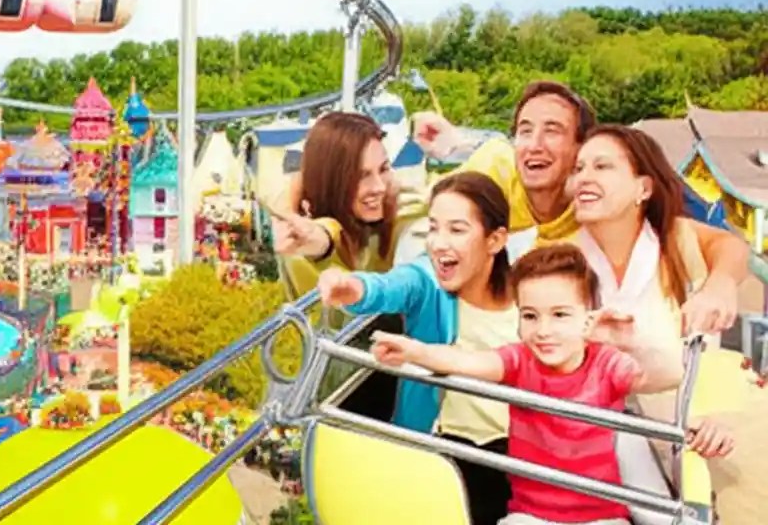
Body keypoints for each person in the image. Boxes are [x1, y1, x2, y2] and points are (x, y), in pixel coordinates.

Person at [370, 244, 685, 525]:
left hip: (599, 516)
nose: (543, 330)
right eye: (530, 316)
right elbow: (464, 361)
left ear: (587, 318)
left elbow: (668, 374)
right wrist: (414, 350)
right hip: (530, 514)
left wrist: (627, 340)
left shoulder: (606, 363)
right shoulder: (519, 360)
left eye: (560, 315)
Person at [414, 80, 744, 334]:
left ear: (578, 148)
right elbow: (425, 205)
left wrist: (720, 285)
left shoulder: (603, 214)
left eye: (552, 131)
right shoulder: (495, 168)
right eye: (525, 131)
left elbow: (721, 243)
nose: (534, 144)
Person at [569, 124, 746, 524]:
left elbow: (731, 247)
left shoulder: (674, 242)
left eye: (602, 166)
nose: (584, 178)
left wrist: (719, 285)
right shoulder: (565, 261)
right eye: (579, 168)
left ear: (643, 188)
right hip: (608, 442)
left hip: (696, 423)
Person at [317, 171, 514, 525]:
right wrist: (353, 288)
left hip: (511, 459)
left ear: (495, 240)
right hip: (440, 456)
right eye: (433, 228)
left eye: (456, 230)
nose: (439, 243)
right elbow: (394, 285)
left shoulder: (527, 304)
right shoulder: (430, 285)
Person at [272, 112, 418, 296]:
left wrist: (455, 147)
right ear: (331, 182)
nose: (379, 187)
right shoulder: (302, 249)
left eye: (383, 168)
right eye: (361, 176)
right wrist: (320, 246)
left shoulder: (392, 209)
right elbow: (326, 239)